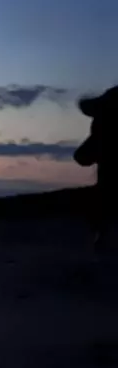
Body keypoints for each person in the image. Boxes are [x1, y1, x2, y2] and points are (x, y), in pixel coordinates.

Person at [74, 85, 118, 250]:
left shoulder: (105, 116)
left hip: (109, 166)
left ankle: (103, 235)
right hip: (108, 165)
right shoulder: (105, 115)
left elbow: (97, 141)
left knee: (102, 199)